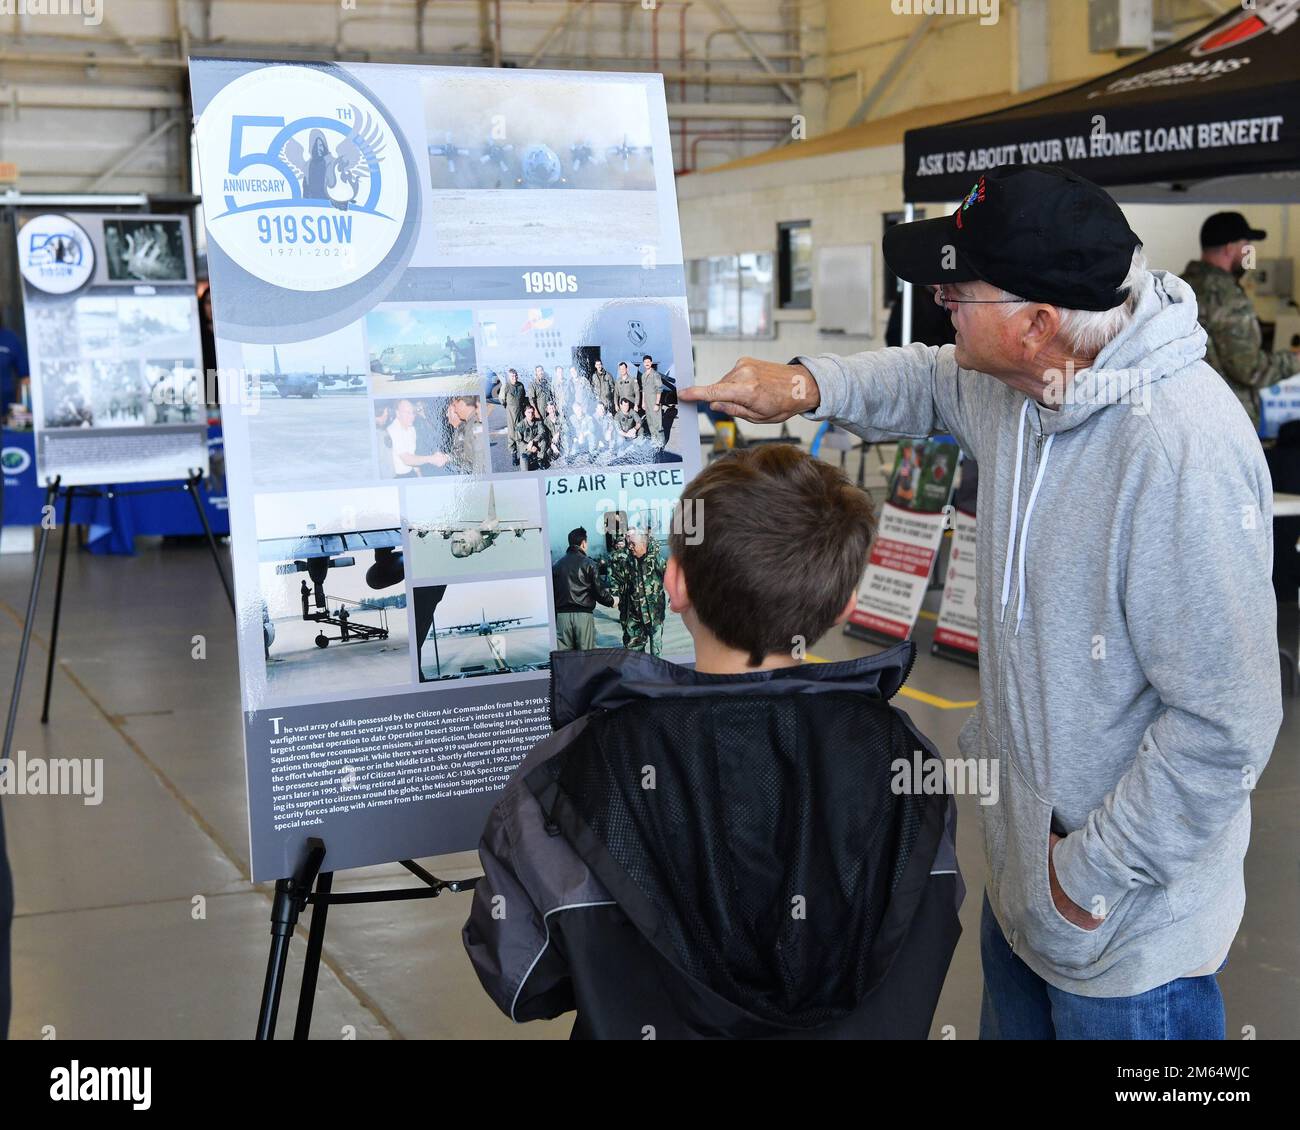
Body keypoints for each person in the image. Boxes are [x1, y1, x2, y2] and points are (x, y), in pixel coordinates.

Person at [681, 164, 1283, 1041]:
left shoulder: (1178, 451)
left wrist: (1088, 879)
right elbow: (925, 379)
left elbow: (1228, 726)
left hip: (1125, 948)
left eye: (959, 289)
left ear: (1038, 324)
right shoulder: (1020, 383)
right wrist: (807, 386)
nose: (938, 300)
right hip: (1025, 901)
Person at [463, 445, 963, 1038]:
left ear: (675, 584)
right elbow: (925, 930)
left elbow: (522, 978)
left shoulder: (576, 770)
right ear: (845, 604)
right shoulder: (906, 764)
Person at [1180, 212, 1300, 431]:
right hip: (1229, 419)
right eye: (1247, 246)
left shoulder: (1180, 286)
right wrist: (1293, 361)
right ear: (1230, 248)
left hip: (1189, 414)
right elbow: (1249, 369)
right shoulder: (1227, 296)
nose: (1250, 252)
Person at [606, 526, 666, 655]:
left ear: (643, 544)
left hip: (654, 613)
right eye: (629, 544)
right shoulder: (624, 560)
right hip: (633, 615)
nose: (630, 547)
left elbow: (670, 576)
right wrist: (615, 595)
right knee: (634, 655)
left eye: (633, 544)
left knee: (656, 653)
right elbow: (616, 578)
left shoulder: (657, 559)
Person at [552, 526, 614, 650]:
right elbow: (599, 592)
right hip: (583, 617)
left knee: (565, 658)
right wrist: (612, 601)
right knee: (586, 657)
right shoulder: (589, 564)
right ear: (583, 543)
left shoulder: (557, 566)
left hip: (562, 618)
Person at [387, 398, 448, 477]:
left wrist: (419, 475)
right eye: (407, 413)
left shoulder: (411, 429)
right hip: (397, 476)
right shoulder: (393, 430)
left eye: (413, 413)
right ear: (397, 413)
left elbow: (412, 455)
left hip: (411, 472)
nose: (412, 416)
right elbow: (407, 459)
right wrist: (431, 459)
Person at [500, 367, 527, 468]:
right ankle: (514, 454)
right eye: (512, 376)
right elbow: (502, 399)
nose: (514, 377)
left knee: (521, 431)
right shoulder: (506, 386)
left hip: (520, 412)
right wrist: (507, 408)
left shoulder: (520, 385)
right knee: (512, 433)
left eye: (516, 375)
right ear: (509, 377)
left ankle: (523, 452)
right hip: (511, 413)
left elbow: (524, 397)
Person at [641, 353, 665, 448]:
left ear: (651, 363)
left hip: (654, 402)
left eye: (648, 361)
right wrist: (643, 402)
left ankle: (661, 443)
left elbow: (660, 389)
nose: (647, 363)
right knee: (650, 422)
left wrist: (657, 403)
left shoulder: (655, 375)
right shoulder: (643, 375)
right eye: (645, 362)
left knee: (657, 423)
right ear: (643, 363)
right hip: (647, 403)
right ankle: (654, 440)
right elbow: (643, 390)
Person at [516, 402, 548, 471]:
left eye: (532, 412)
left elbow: (542, 432)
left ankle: (539, 459)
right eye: (528, 412)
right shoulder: (520, 425)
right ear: (525, 413)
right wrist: (529, 447)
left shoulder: (538, 422)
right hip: (526, 448)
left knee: (543, 441)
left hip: (535, 445)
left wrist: (533, 441)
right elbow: (518, 441)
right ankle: (530, 457)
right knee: (525, 470)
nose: (531, 414)